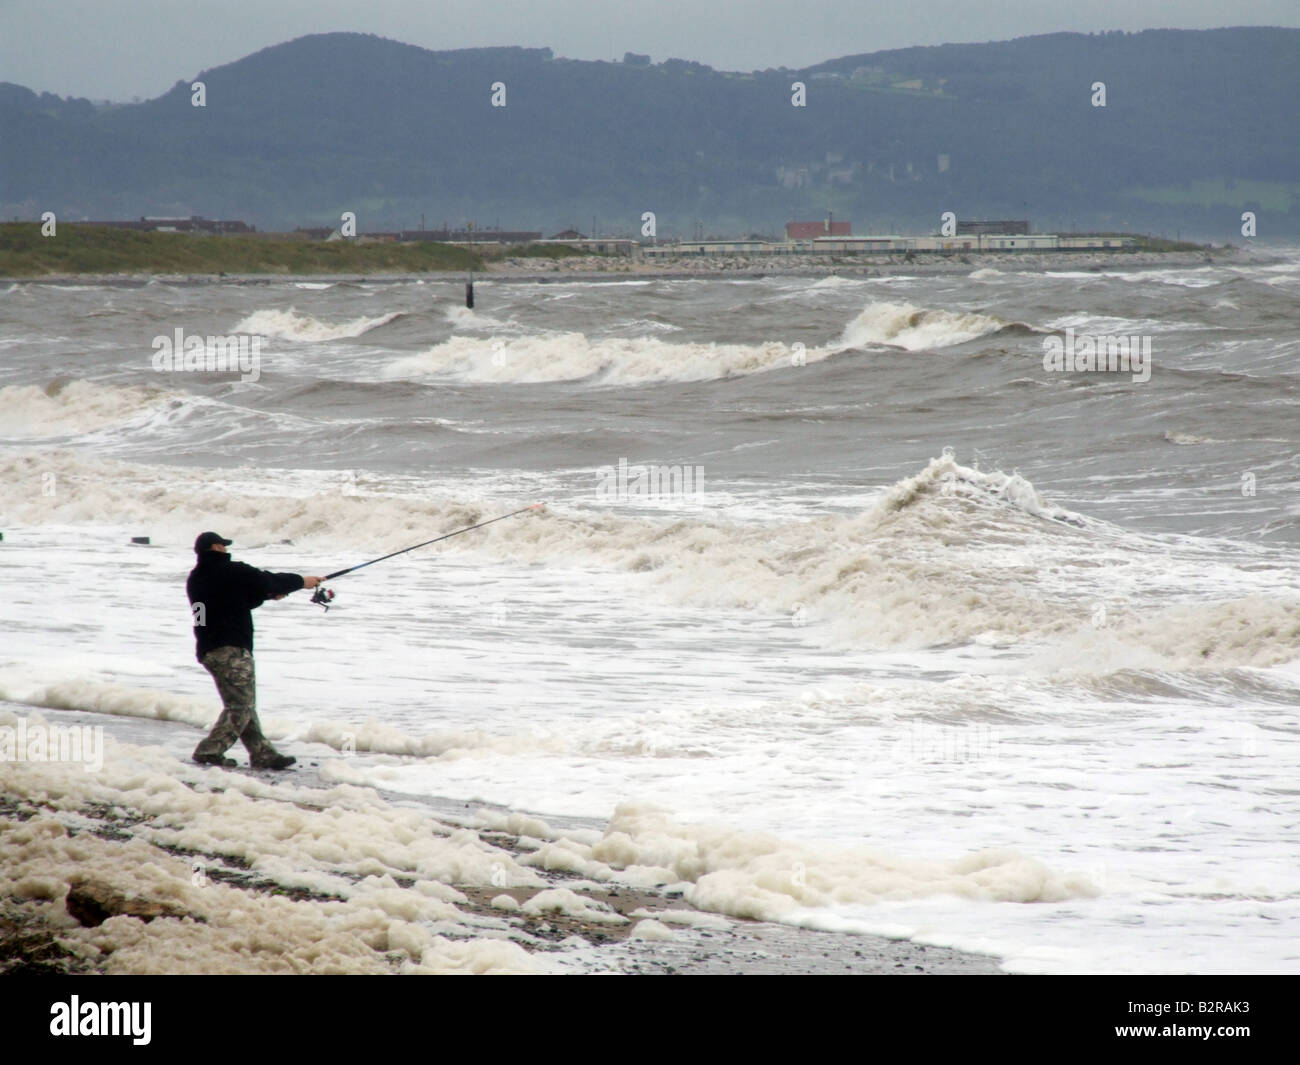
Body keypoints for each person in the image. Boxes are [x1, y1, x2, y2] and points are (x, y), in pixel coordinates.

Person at [187, 531, 323, 769]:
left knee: (242, 703)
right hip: (231, 648)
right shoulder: (231, 570)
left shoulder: (197, 578)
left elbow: (236, 601)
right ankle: (209, 751)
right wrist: (302, 581)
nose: (227, 551)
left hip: (209, 648)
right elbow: (266, 580)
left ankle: (263, 754)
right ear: (216, 548)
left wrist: (269, 595)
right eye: (224, 546)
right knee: (241, 706)